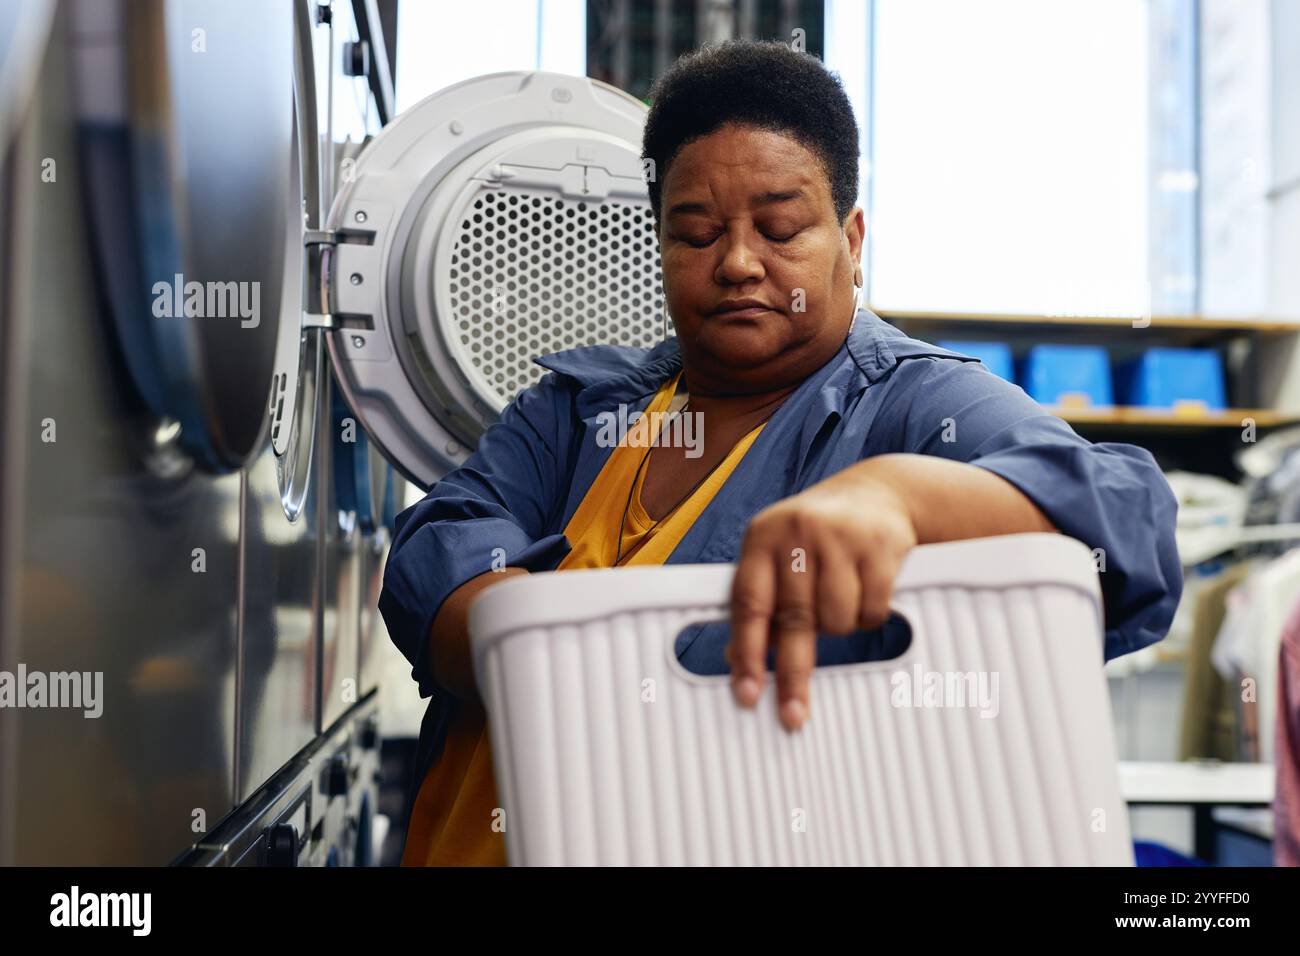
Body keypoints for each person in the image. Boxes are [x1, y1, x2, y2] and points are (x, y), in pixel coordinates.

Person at [379, 40, 1182, 866]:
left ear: (852, 238)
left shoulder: (911, 406)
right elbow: (442, 533)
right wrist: (532, 651)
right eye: (693, 234)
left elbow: (1129, 517)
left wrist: (900, 497)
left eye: (781, 227)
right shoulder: (585, 407)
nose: (735, 262)